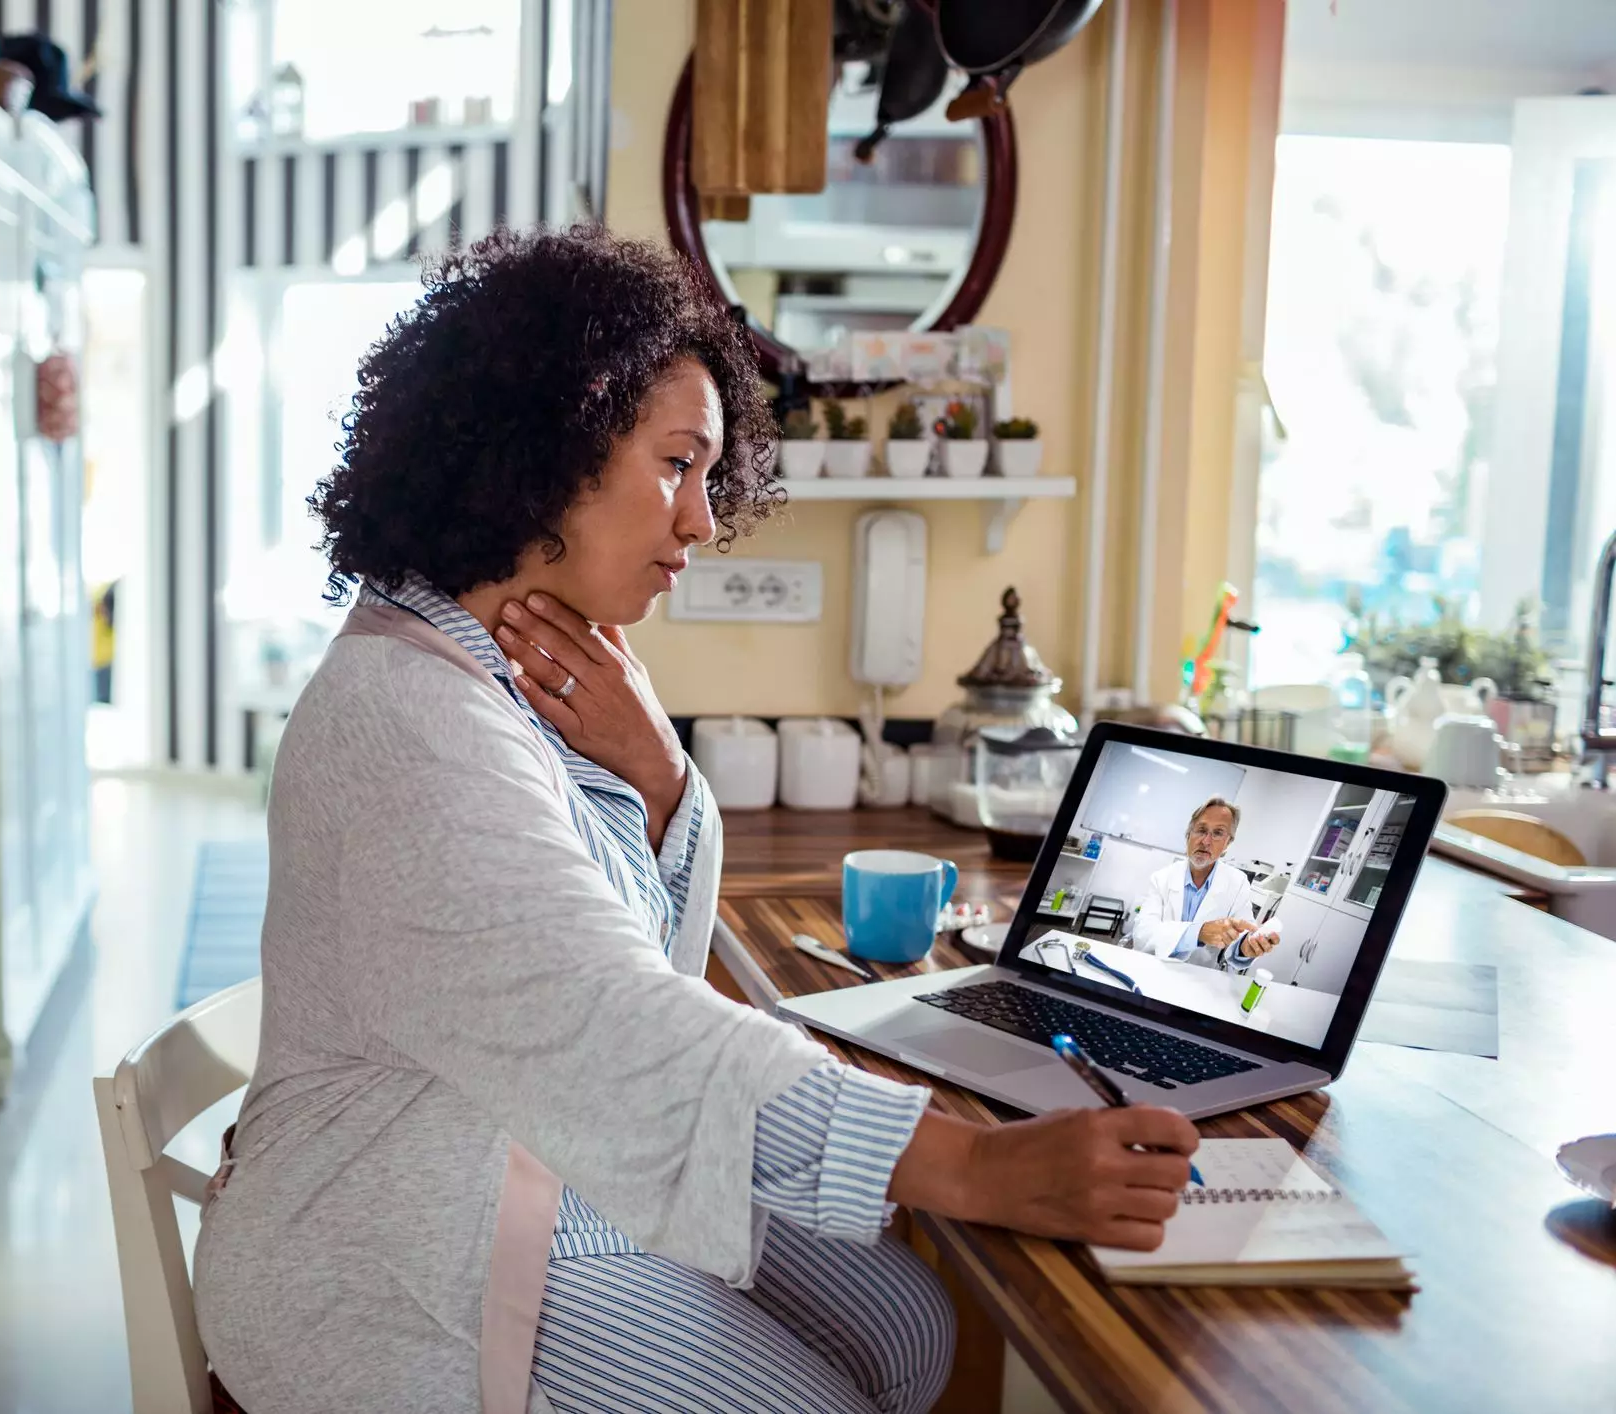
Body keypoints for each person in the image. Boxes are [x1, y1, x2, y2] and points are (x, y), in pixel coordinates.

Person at [191, 227, 1200, 1414]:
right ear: (546, 446)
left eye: (712, 477)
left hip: (526, 1159)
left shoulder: (507, 674)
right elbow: (626, 1028)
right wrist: (972, 1161)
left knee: (914, 1328)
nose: (703, 523)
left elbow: (635, 966)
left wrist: (659, 773)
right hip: (385, 1259)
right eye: (678, 465)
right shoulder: (406, 723)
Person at [1130, 798, 1281, 971]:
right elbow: (1143, 933)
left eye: (1218, 833)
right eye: (1201, 830)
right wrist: (1198, 933)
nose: (1206, 841)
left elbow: (1243, 933)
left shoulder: (1237, 883)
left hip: (1197, 979)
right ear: (1189, 834)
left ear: (1227, 843)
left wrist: (1245, 947)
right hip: (1152, 968)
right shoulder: (1161, 878)